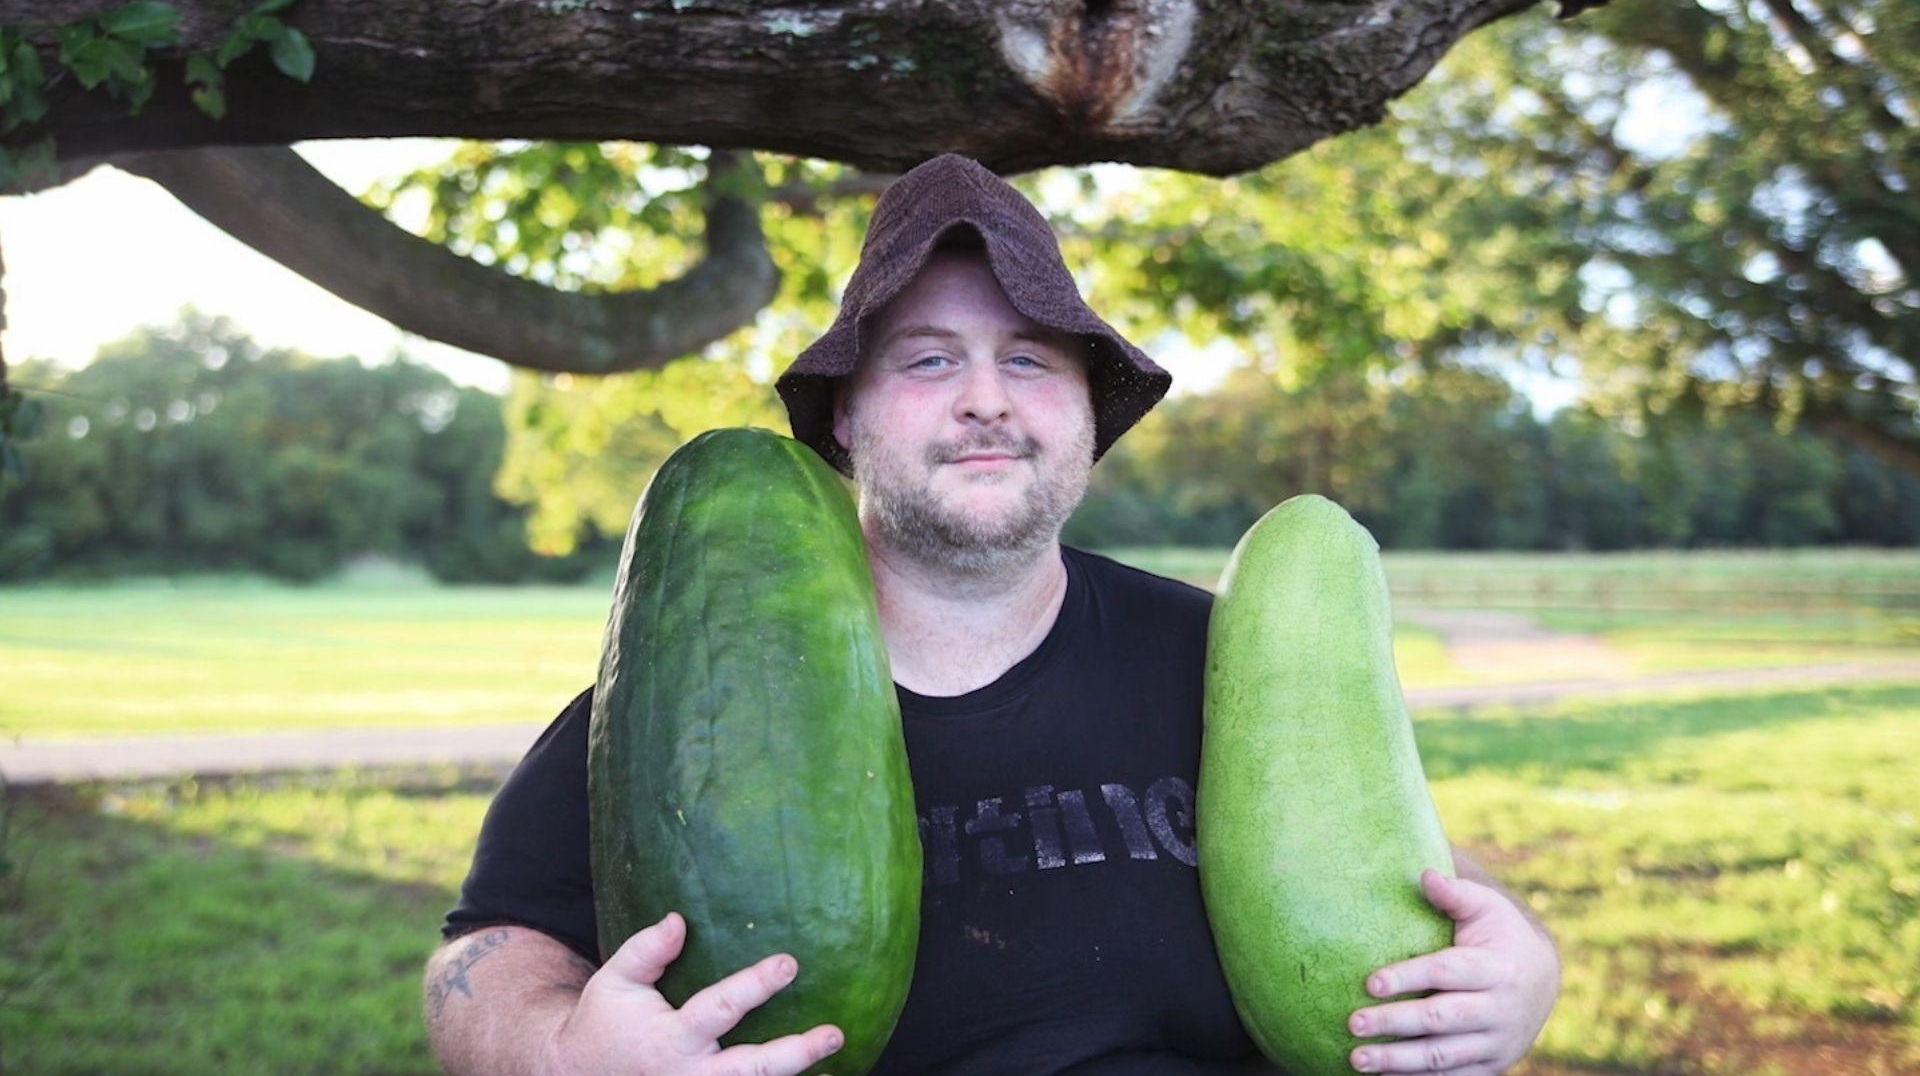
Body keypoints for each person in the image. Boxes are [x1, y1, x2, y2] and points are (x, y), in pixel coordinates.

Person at [423, 153, 1562, 1076]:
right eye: (928, 360)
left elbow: (1418, 902)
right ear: (846, 424)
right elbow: (484, 957)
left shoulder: (1222, 658)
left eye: (1029, 359)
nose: (985, 397)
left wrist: (1519, 981)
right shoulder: (694, 696)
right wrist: (561, 1052)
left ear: (1082, 419)